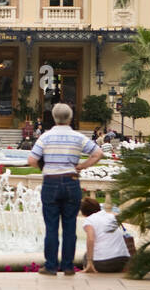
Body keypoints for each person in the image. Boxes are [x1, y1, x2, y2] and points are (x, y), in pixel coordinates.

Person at [27, 103, 103, 275]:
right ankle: (68, 267)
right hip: (71, 181)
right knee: (70, 226)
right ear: (70, 118)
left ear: (54, 118)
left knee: (51, 226)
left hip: (51, 182)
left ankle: (51, 266)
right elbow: (98, 153)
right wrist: (82, 166)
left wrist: (45, 168)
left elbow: (32, 159)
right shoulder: (78, 137)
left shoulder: (45, 137)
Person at [80, 197, 131, 274]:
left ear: (84, 212)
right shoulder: (112, 216)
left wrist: (89, 262)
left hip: (103, 263)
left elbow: (90, 239)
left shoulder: (89, 220)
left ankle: (90, 268)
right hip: (122, 261)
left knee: (86, 255)